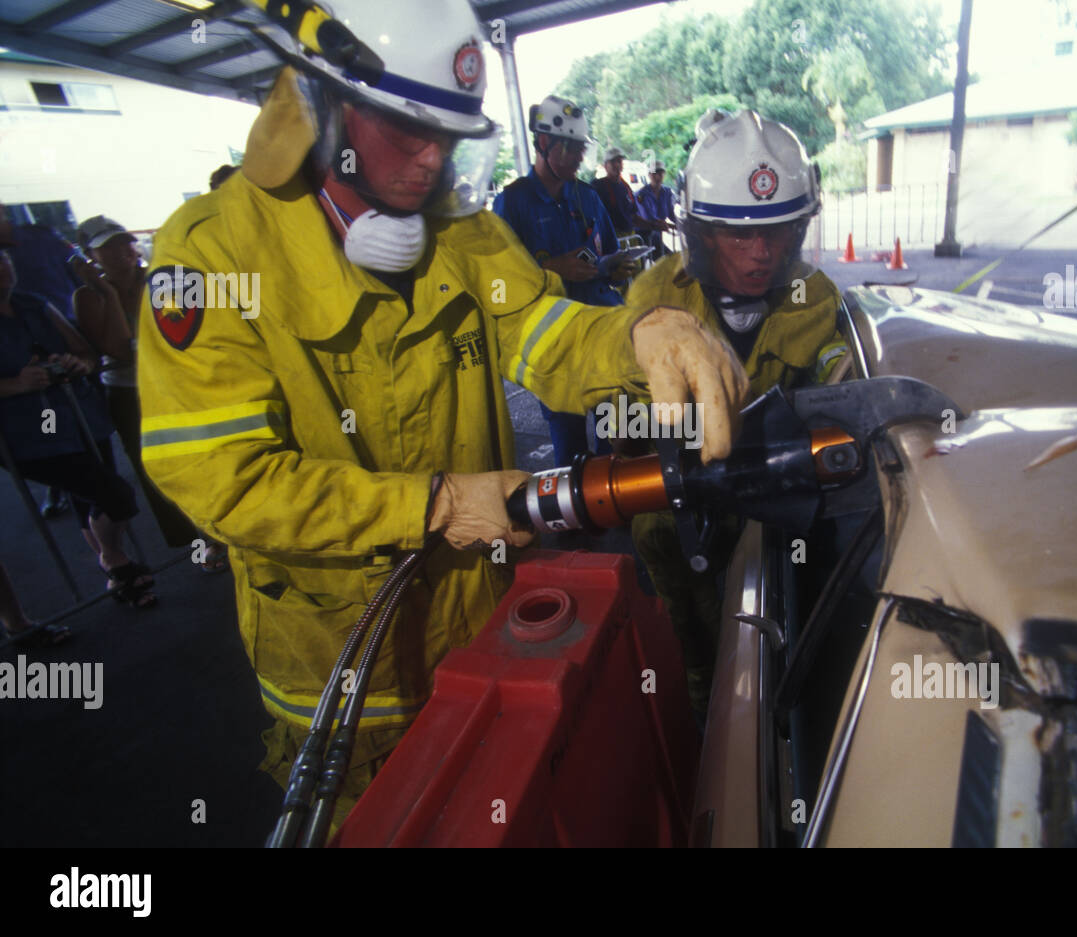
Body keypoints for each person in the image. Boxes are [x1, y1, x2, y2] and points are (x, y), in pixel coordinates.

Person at [135, 0, 747, 826]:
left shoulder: (460, 233)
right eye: (408, 130)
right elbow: (220, 476)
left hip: (478, 623)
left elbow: (545, 331)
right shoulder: (210, 253)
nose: (432, 161)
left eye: (450, 138)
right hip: (338, 673)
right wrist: (437, 504)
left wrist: (638, 333)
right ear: (322, 104)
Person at [622, 110, 848, 718]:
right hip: (678, 498)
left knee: (783, 610)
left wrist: (843, 373)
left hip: (773, 497)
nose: (761, 254)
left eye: (779, 233)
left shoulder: (814, 297)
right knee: (683, 608)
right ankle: (701, 698)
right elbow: (624, 420)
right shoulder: (653, 300)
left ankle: (771, 700)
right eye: (738, 237)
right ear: (699, 235)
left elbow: (835, 362)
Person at [0, 250, 156, 609]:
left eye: (4, 258)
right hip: (29, 434)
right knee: (114, 494)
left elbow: (86, 353)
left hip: (77, 416)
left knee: (91, 496)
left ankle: (119, 575)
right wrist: (16, 384)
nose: (3, 267)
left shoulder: (34, 304)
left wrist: (76, 363)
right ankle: (114, 559)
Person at [71, 216, 227, 571]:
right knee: (161, 470)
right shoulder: (89, 296)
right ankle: (200, 542)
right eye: (108, 246)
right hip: (130, 395)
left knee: (209, 455)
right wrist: (110, 294)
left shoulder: (161, 279)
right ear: (90, 256)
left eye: (124, 241)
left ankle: (224, 529)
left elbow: (184, 332)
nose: (122, 250)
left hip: (180, 383)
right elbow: (118, 348)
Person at [493, 95, 640, 467]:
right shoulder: (512, 203)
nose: (579, 156)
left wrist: (614, 267)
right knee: (569, 448)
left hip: (602, 332)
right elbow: (498, 285)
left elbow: (606, 252)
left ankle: (617, 487)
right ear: (544, 143)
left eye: (581, 148)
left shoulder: (587, 197)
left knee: (619, 440)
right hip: (555, 346)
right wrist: (552, 270)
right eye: (572, 148)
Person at [0, 203, 82, 518]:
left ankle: (72, 489)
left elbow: (74, 275)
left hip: (58, 334)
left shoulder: (41, 239)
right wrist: (15, 384)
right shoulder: (41, 239)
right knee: (62, 450)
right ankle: (64, 487)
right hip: (28, 416)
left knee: (79, 451)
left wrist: (83, 359)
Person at [592, 147, 654, 241]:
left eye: (619, 161)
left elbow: (633, 217)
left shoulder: (626, 187)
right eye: (613, 162)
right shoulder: (598, 186)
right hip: (611, 240)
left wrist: (653, 225)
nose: (617, 165)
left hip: (630, 237)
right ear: (605, 166)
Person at [635, 160, 677, 259]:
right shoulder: (641, 194)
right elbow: (647, 217)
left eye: (660, 173)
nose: (658, 177)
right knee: (666, 259)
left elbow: (671, 214)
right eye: (654, 173)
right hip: (643, 236)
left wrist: (682, 225)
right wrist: (667, 225)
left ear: (664, 175)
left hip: (657, 234)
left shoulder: (667, 192)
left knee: (669, 257)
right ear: (649, 175)